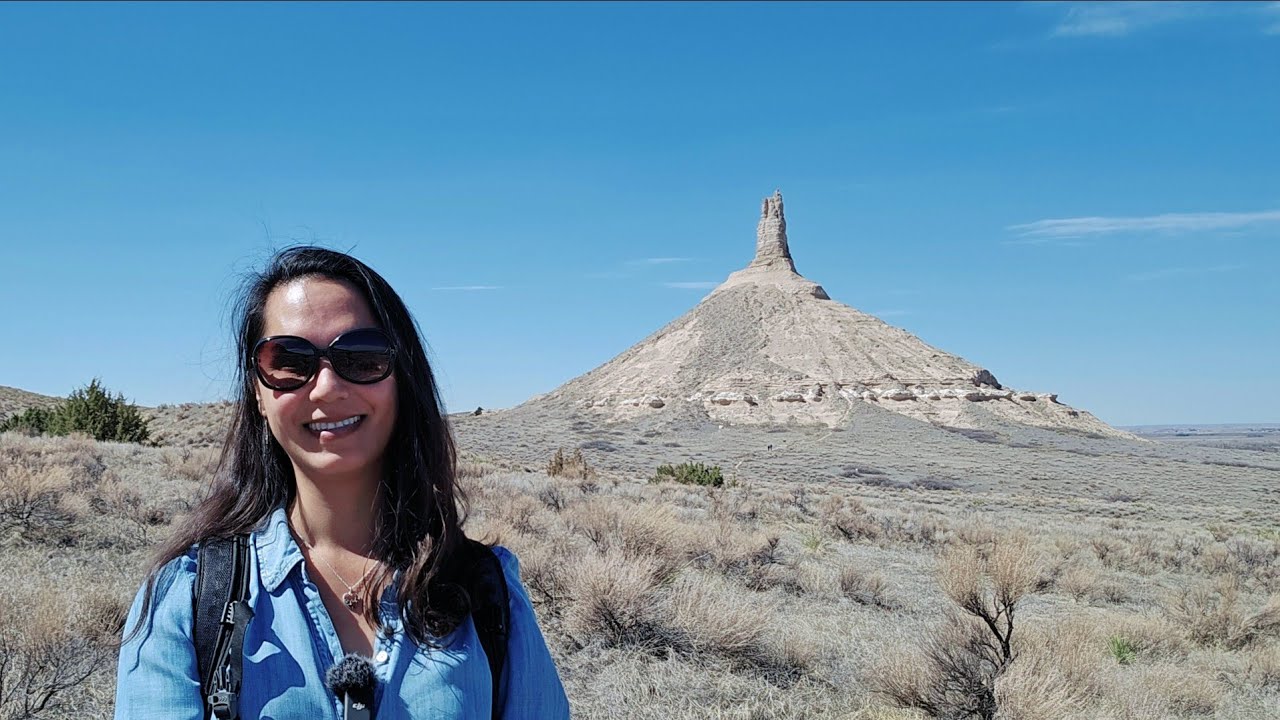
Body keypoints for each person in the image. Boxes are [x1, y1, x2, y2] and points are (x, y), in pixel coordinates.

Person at [115, 246, 569, 719]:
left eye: (362, 356)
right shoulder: (188, 597)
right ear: (257, 392)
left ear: (402, 376)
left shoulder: (485, 589)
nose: (327, 387)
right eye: (288, 359)